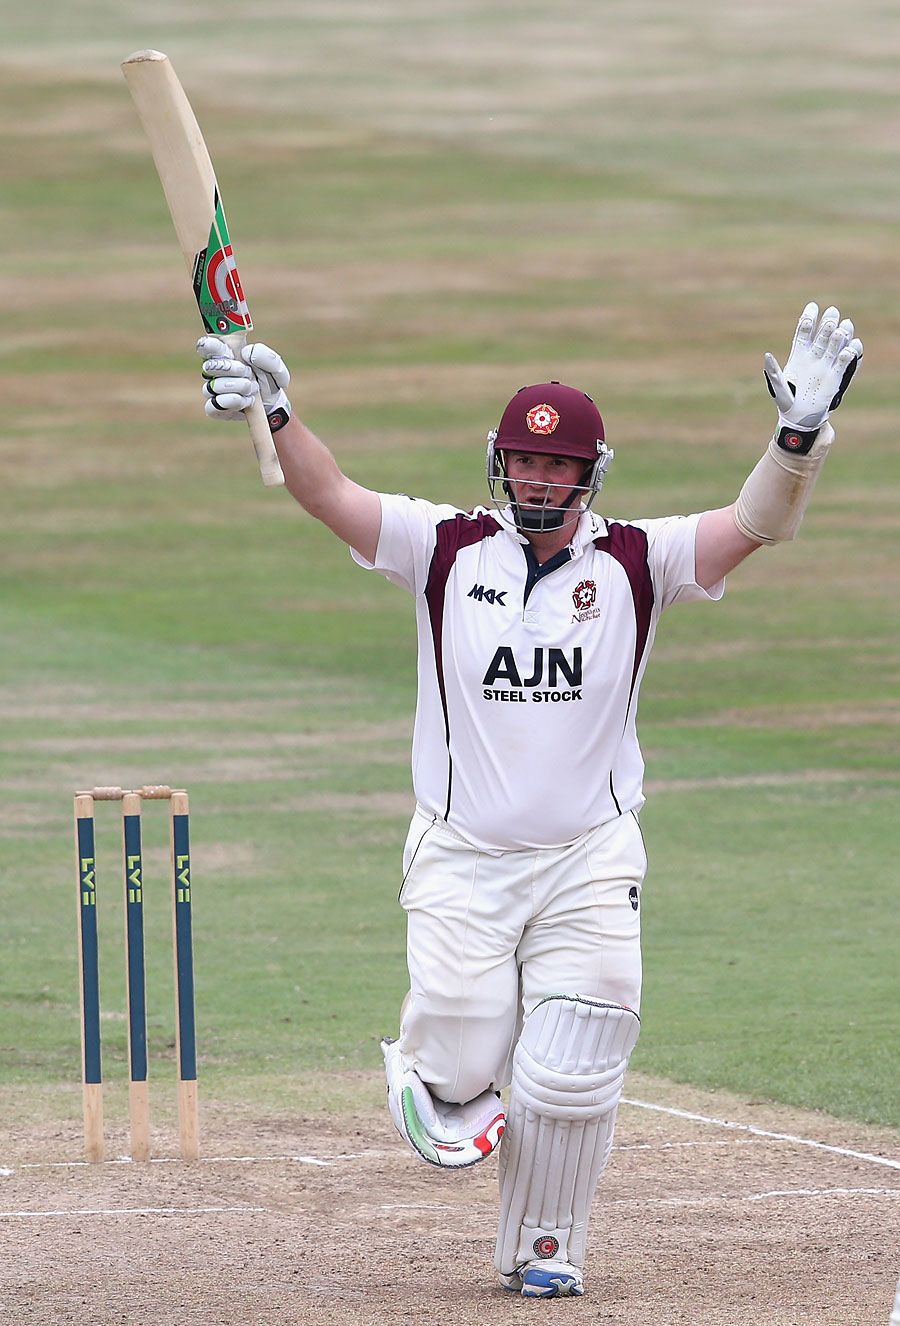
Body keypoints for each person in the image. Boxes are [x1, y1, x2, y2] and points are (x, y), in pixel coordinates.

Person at [196, 303, 862, 1299]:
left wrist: (796, 439)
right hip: (463, 854)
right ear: (500, 465)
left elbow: (754, 525)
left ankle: (545, 1248)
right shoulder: (446, 550)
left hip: (590, 856)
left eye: (560, 468)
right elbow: (330, 493)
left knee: (575, 1063)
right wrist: (280, 415)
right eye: (526, 463)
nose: (541, 480)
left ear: (591, 475)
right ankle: (441, 1069)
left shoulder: (637, 562)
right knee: (457, 1094)